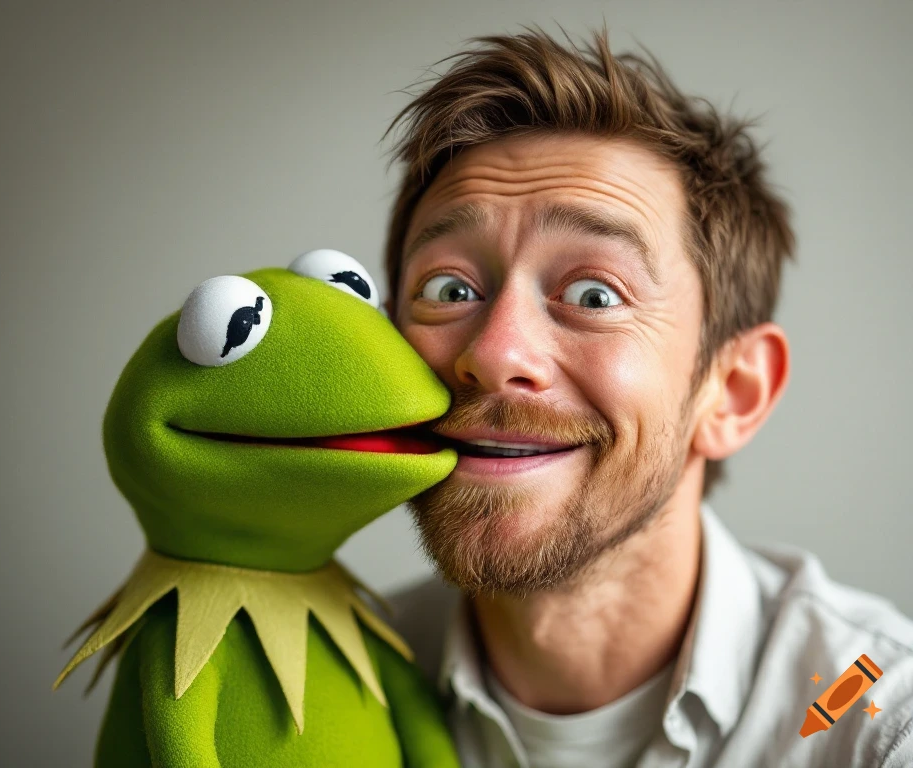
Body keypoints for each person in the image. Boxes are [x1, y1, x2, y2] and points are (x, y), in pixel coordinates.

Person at [380, 28, 913, 768]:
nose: (493, 353)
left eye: (595, 294)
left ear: (733, 393)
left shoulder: (877, 726)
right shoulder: (316, 676)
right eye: (449, 290)